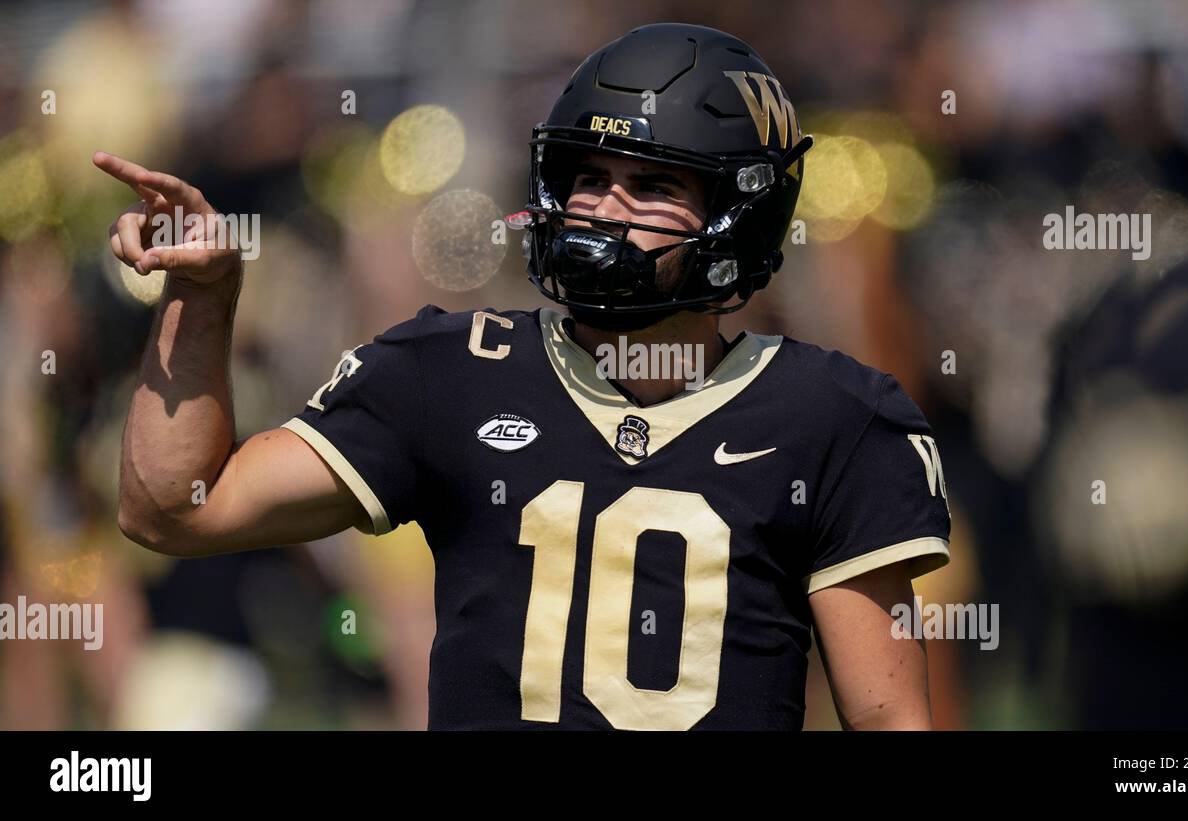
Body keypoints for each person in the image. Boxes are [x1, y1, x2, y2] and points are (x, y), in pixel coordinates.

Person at [101, 23, 950, 730]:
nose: (605, 210)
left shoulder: (831, 418)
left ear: (740, 216)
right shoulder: (449, 374)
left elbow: (889, 720)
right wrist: (202, 297)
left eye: (652, 185)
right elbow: (173, 507)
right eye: (589, 178)